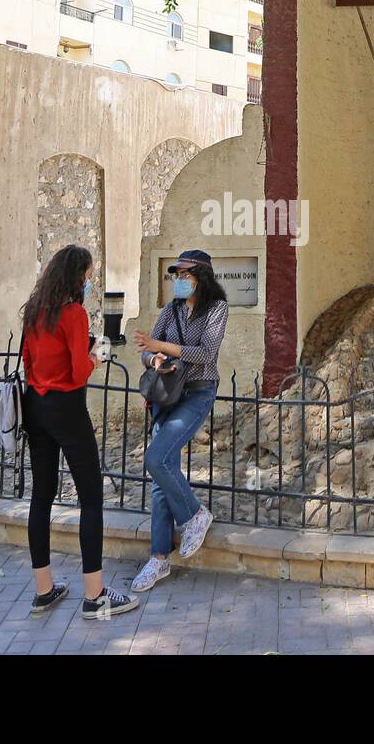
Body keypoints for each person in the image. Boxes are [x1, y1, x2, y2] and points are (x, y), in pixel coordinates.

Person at [19, 244, 139, 620]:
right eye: (88, 277)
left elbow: (28, 359)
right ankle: (95, 594)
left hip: (35, 406)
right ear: (76, 277)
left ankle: (43, 589)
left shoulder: (34, 312)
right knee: (90, 496)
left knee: (42, 496)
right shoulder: (73, 315)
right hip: (67, 409)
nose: (90, 282)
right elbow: (75, 371)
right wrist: (95, 357)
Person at [129, 249, 229, 592]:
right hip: (166, 391)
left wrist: (161, 345)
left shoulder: (216, 309)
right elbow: (145, 350)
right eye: (176, 275)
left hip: (197, 391)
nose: (179, 280)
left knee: (156, 458)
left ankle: (193, 516)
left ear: (201, 276)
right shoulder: (169, 311)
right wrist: (153, 358)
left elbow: (206, 354)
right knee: (161, 470)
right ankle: (158, 559)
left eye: (185, 275)